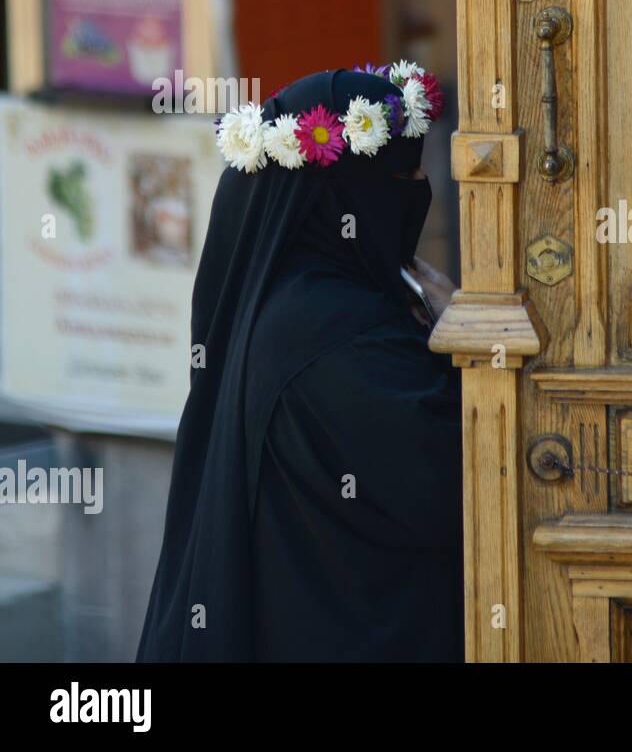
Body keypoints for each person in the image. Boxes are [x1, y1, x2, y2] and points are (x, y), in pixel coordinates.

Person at [136, 65, 463, 661]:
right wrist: (463, 333)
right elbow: (459, 481)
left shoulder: (286, 302)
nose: (419, 187)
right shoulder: (337, 334)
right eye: (402, 173)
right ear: (347, 196)